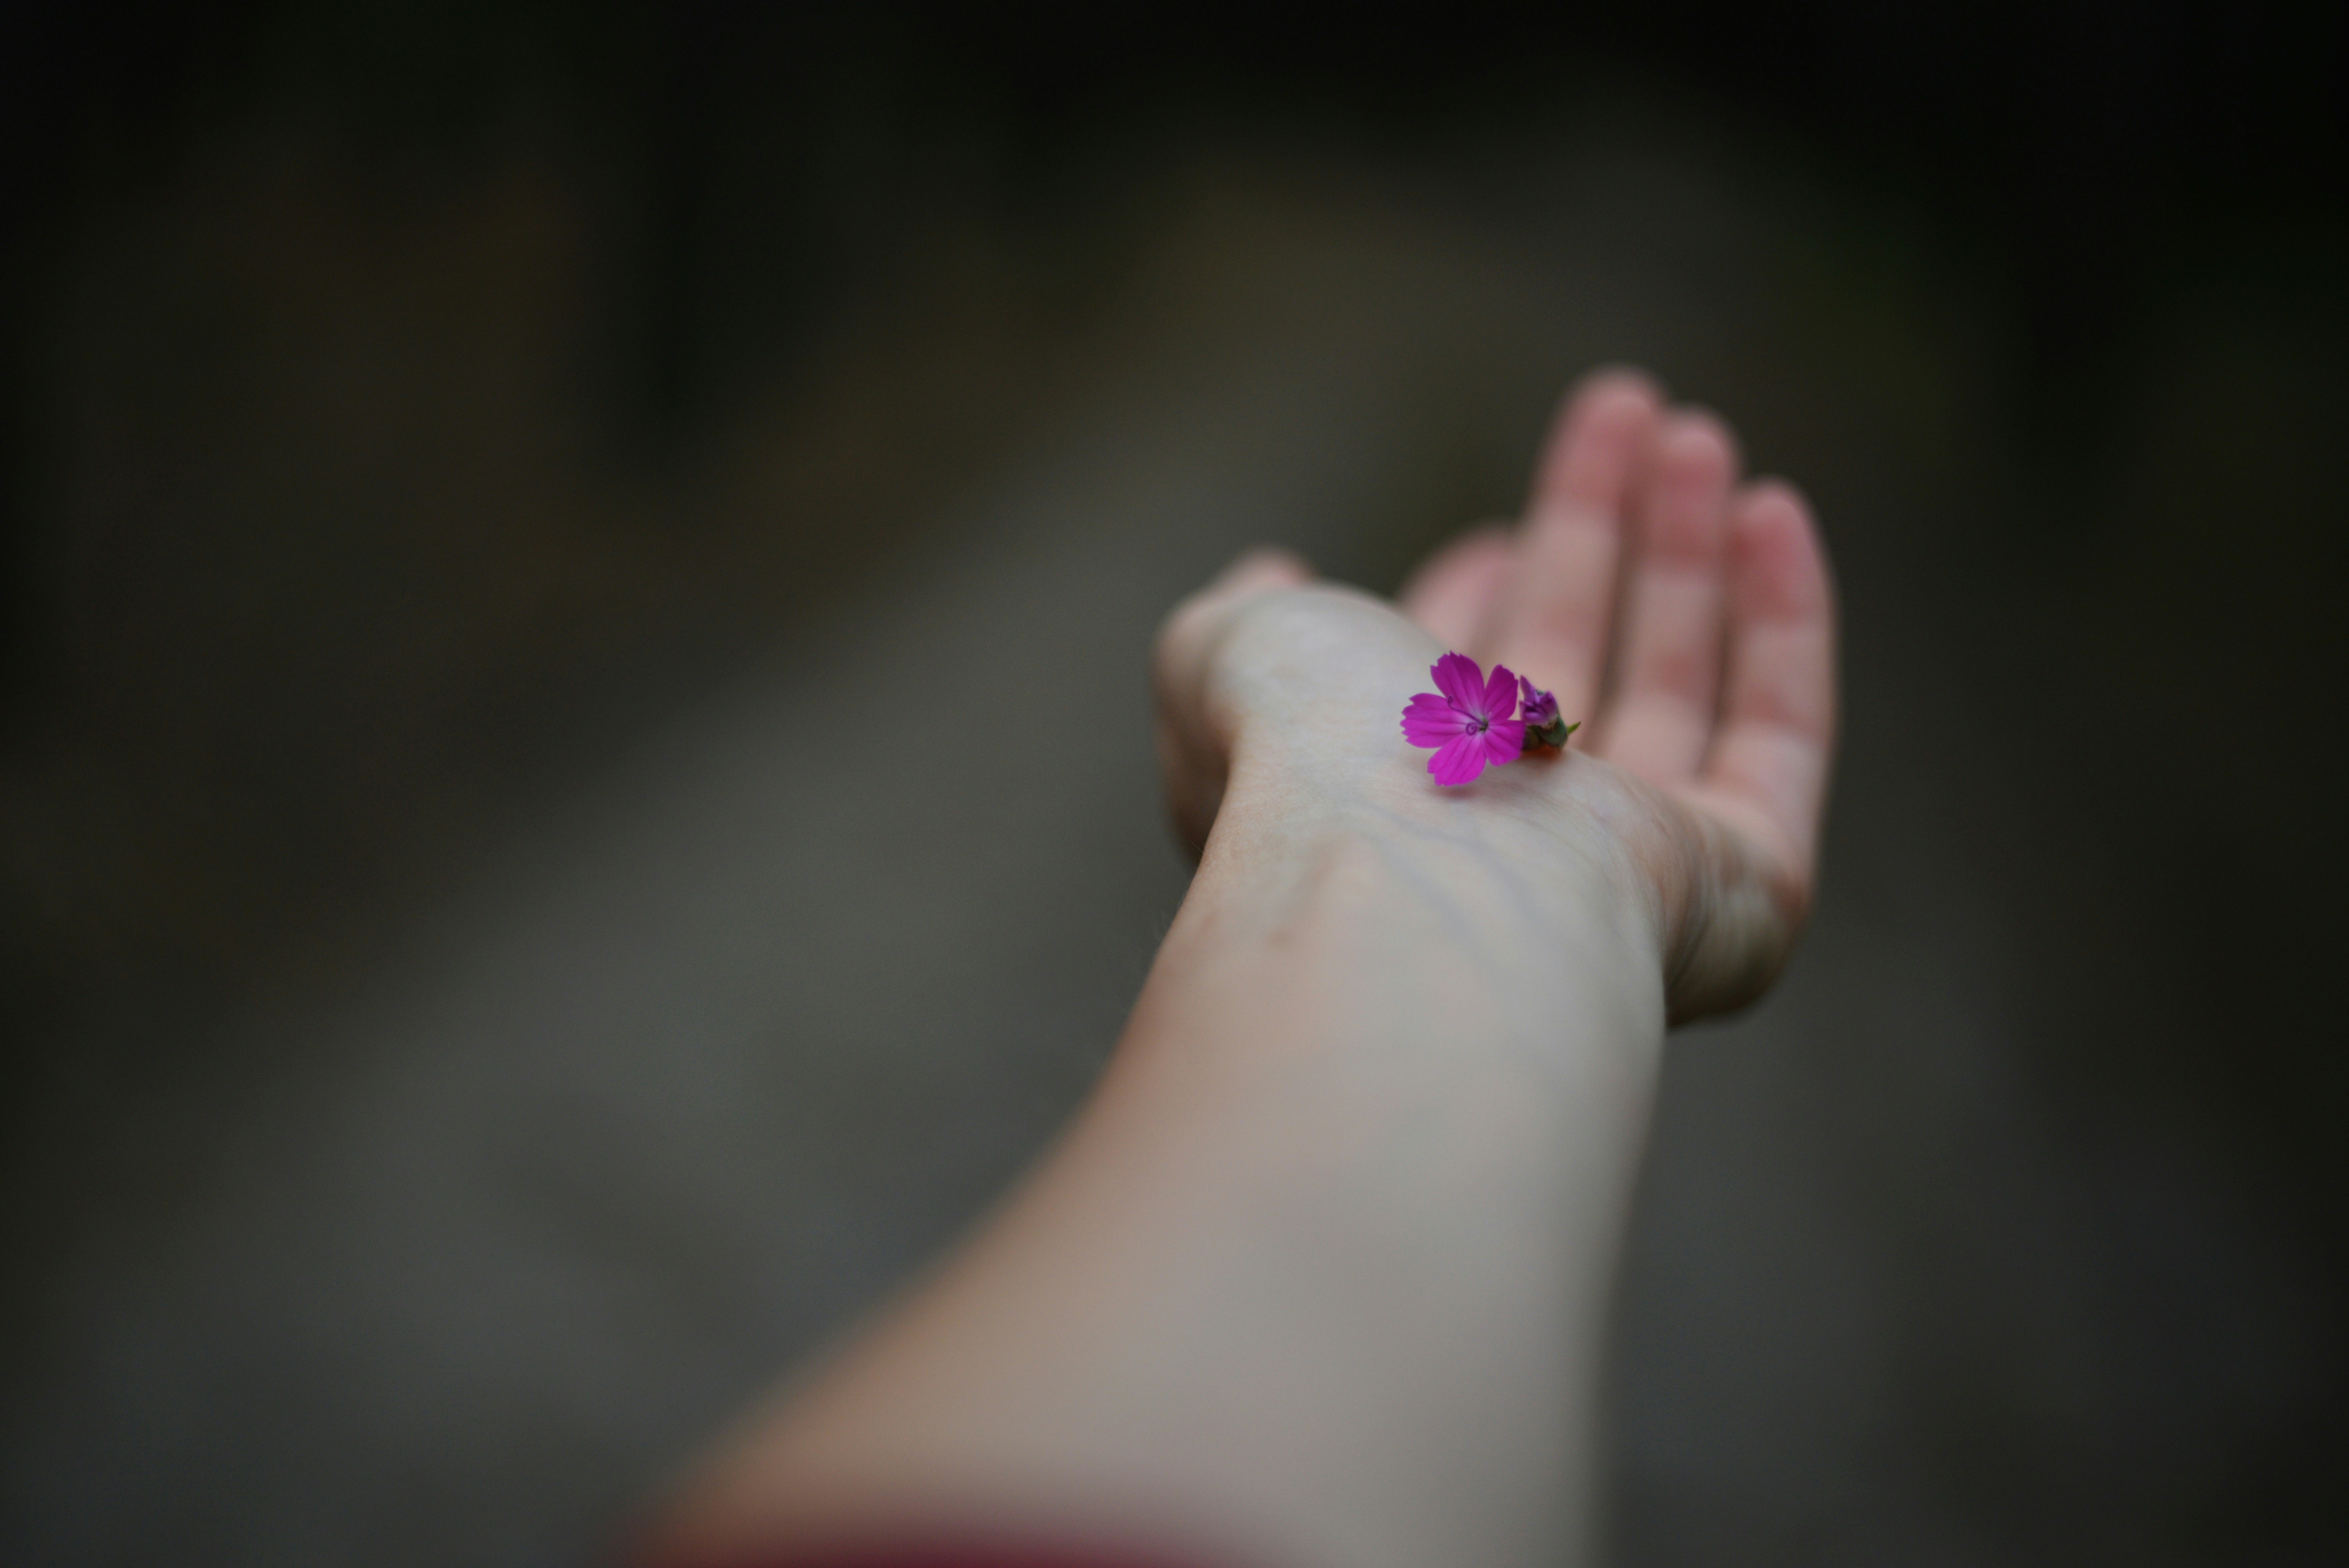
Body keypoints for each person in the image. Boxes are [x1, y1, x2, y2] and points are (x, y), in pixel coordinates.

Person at [634, 369, 1838, 1568]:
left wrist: (1493, 827)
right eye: (1485, 727)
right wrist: (1472, 878)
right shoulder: (1467, 731)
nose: (1476, 731)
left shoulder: (1512, 734)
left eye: (1498, 729)